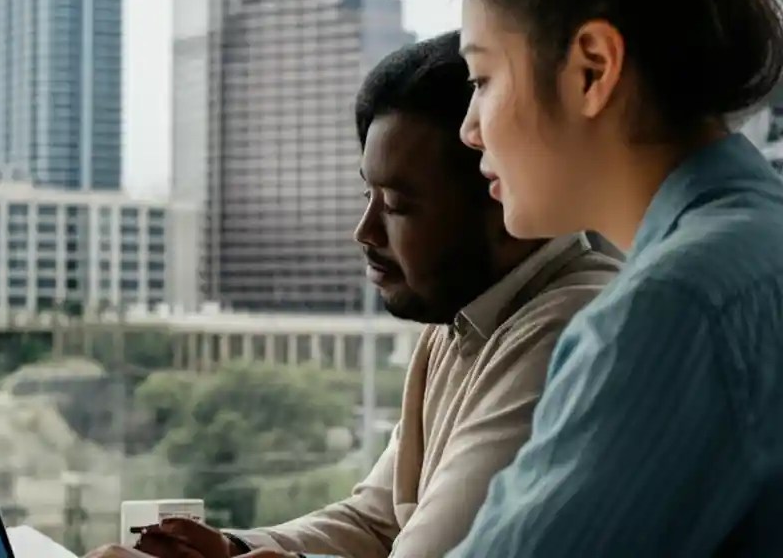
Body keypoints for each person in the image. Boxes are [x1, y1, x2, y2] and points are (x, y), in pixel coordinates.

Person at [84, 32, 620, 558]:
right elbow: (378, 519)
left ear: (503, 192)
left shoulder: (574, 330)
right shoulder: (462, 317)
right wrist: (230, 548)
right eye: (369, 194)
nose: (363, 231)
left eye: (397, 205)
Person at [443, 0, 783, 555]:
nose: (471, 130)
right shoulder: (755, 247)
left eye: (481, 79)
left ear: (591, 69)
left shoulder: (673, 308)